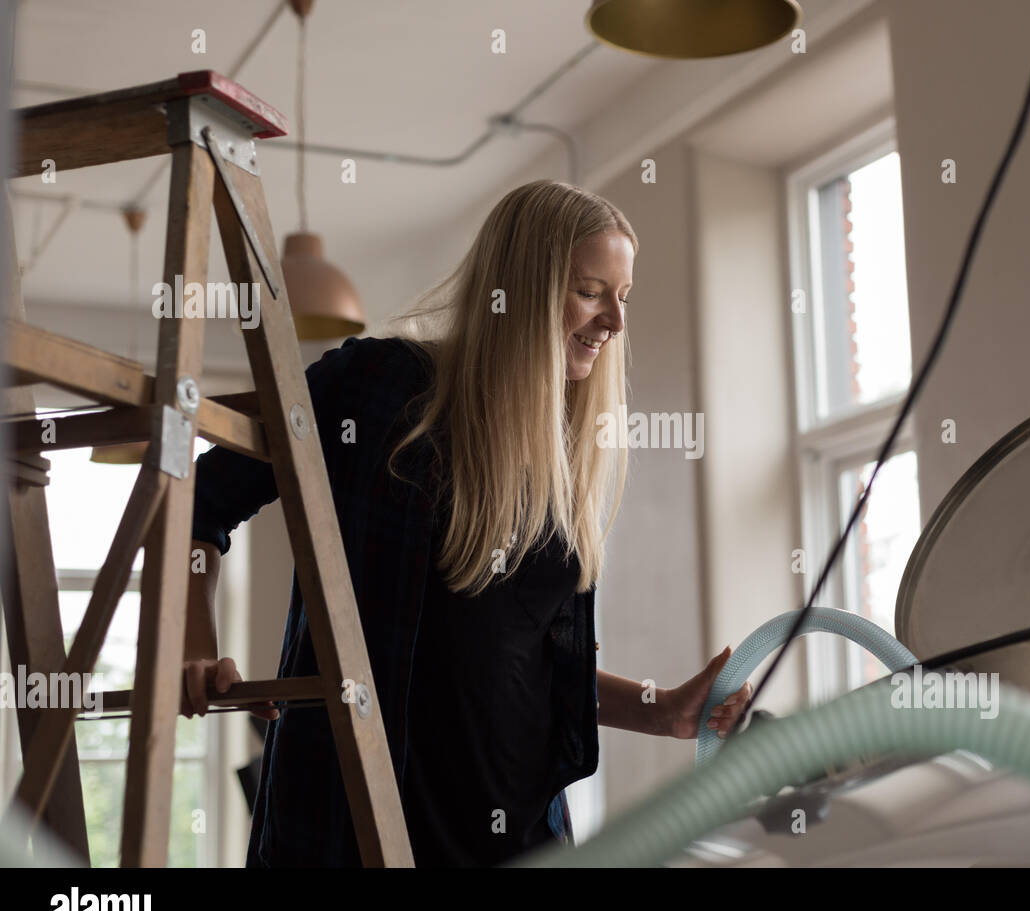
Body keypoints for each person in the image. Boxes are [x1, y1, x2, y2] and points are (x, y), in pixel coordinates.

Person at [179, 179, 753, 866]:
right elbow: (198, 500)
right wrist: (195, 647)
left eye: (621, 297)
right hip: (355, 829)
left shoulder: (561, 451)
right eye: (591, 291)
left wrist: (664, 710)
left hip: (521, 840)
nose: (614, 323)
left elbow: (524, 659)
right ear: (521, 285)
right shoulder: (376, 388)